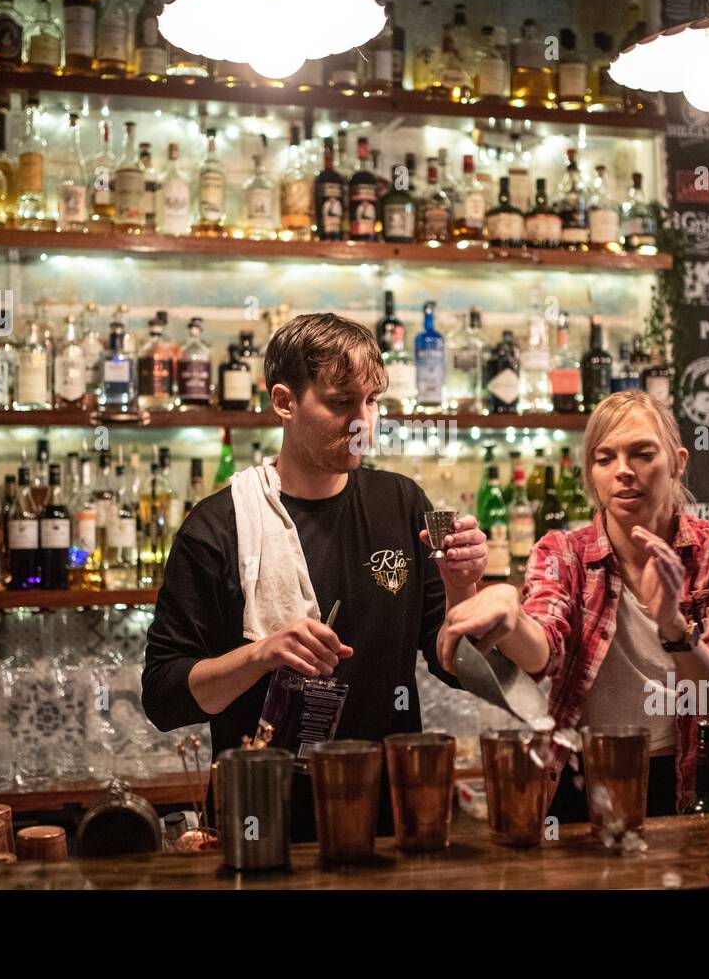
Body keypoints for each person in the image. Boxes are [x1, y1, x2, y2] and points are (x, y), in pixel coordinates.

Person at [142, 313, 487, 841]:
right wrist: (260, 655)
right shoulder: (216, 527)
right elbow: (164, 698)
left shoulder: (401, 503)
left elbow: (458, 668)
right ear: (284, 402)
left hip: (388, 818)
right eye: (341, 402)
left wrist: (466, 587)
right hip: (265, 819)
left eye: (373, 401)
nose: (362, 423)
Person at [437, 390, 709, 817]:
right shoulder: (563, 553)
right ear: (590, 473)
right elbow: (542, 652)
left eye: (642, 454)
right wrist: (511, 614)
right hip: (583, 780)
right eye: (604, 458)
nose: (623, 471)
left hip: (689, 783)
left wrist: (673, 626)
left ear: (679, 462)